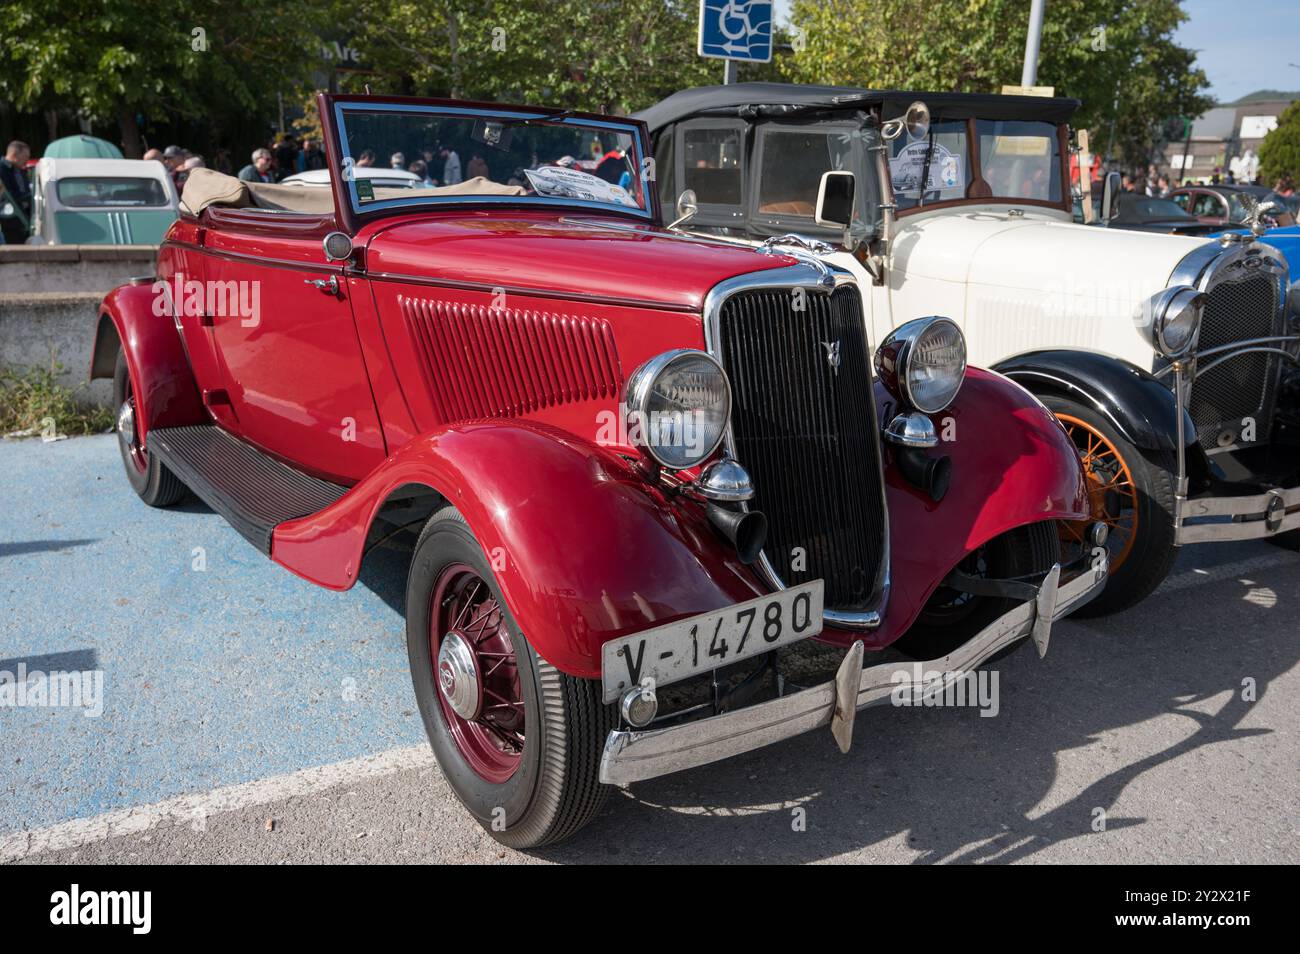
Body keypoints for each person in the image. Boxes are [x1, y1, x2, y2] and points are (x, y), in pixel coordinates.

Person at [0, 140, 33, 245]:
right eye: (25, 156)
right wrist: (26, 197)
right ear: (14, 155)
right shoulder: (2, 168)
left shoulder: (19, 169)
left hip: (23, 216)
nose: (27, 160)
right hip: (10, 218)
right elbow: (7, 193)